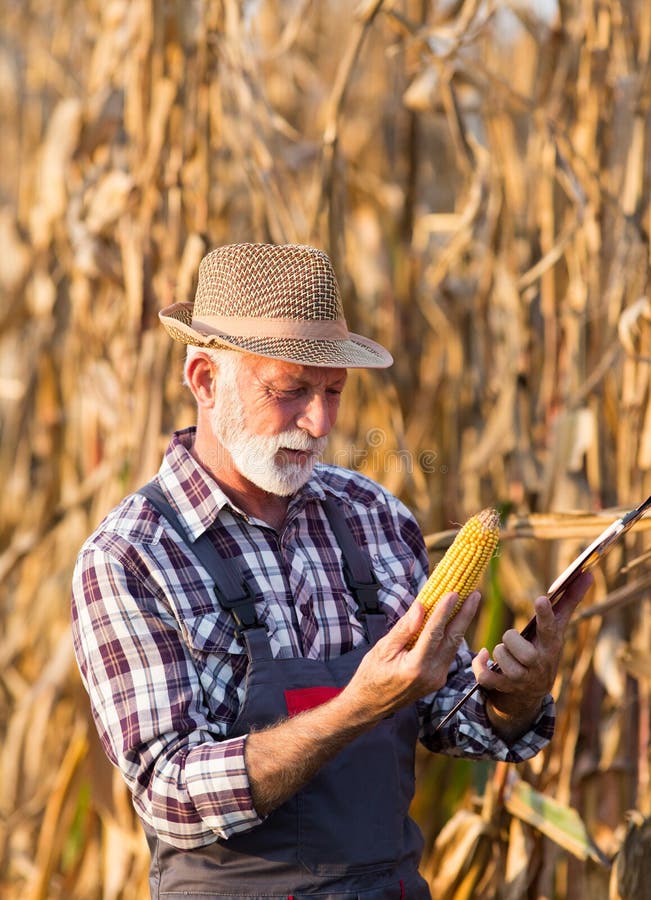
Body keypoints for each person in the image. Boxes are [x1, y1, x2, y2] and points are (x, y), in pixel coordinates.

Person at [71, 242, 592, 899]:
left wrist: (511, 701)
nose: (318, 423)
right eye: (289, 392)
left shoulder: (374, 516)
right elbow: (170, 796)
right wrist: (353, 708)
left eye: (334, 392)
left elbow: (443, 715)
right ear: (204, 379)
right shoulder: (132, 558)